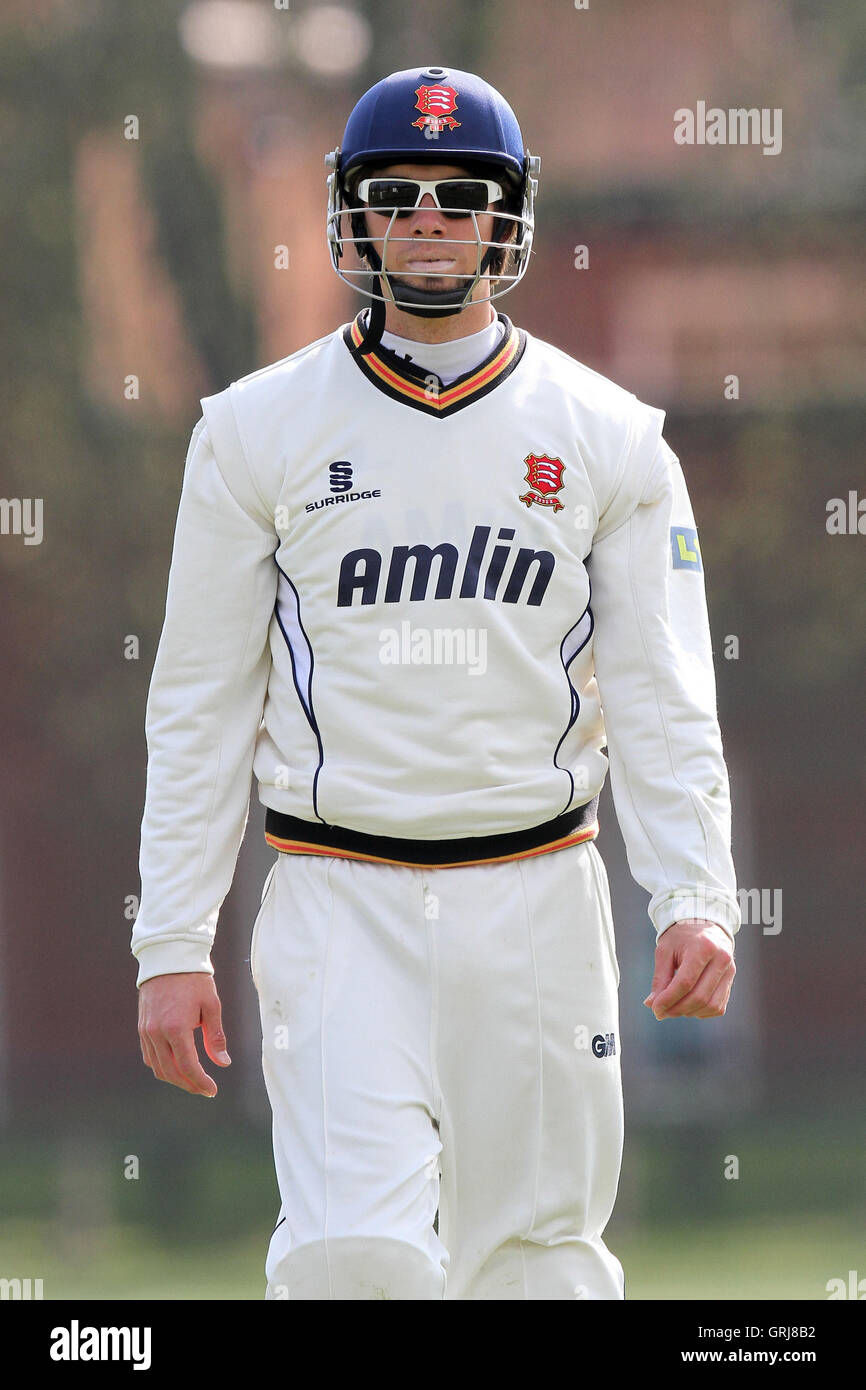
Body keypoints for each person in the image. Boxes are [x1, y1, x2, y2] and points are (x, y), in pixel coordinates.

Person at [134, 64, 739, 1300]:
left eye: (456, 194)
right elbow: (197, 704)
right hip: (333, 895)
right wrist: (169, 939)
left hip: (538, 900)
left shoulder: (609, 436)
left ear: (504, 214)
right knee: (352, 1260)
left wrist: (692, 891)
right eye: (393, 192)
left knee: (537, 1270)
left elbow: (664, 688)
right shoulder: (252, 430)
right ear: (349, 215)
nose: (424, 217)